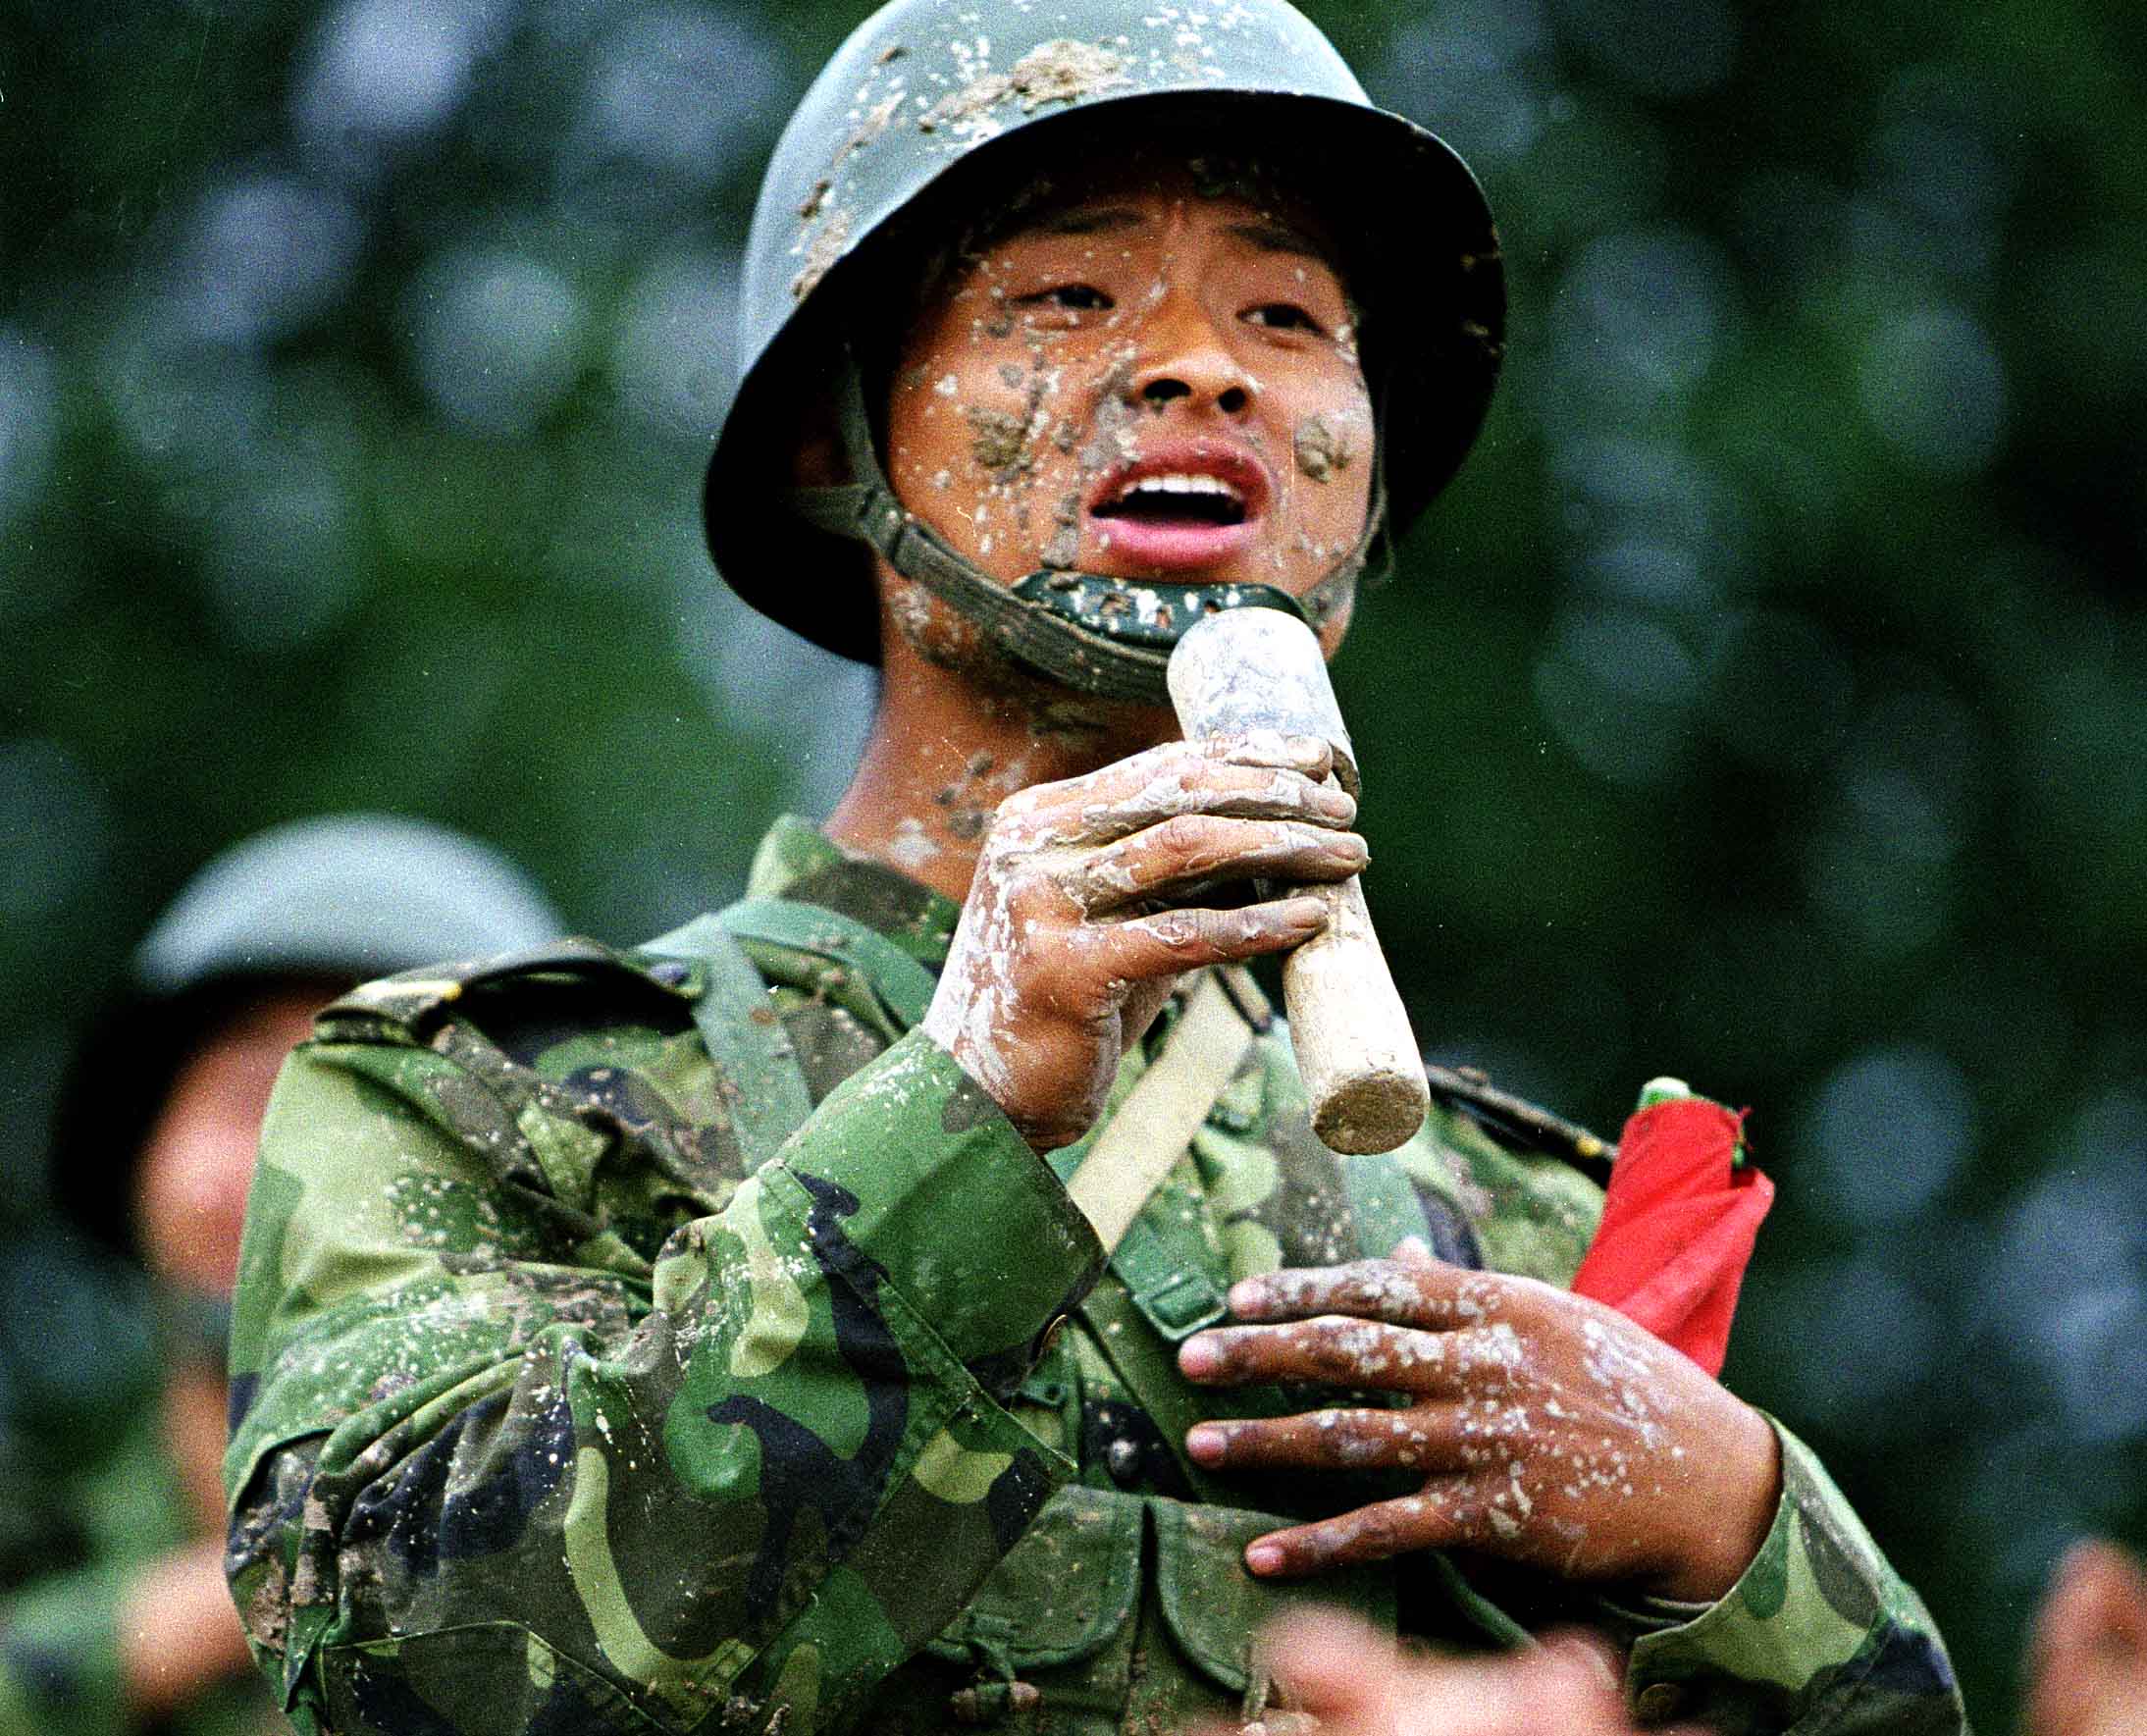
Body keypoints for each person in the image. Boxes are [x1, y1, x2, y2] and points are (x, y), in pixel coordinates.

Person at [221, 2, 1965, 1732]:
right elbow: (399, 1671)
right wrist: (958, 1116)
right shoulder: (502, 1102)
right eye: (1064, 296)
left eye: (1284, 317)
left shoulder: (1509, 1231)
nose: (1201, 365)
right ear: (840, 443)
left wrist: (1740, 1527)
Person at [0, 816, 559, 1736]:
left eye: (398, 1119)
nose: (302, 1178)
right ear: (142, 1149)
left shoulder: (649, 1611)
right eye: (250, 1091)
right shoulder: (40, 1550)